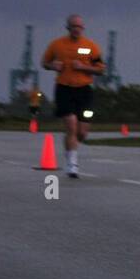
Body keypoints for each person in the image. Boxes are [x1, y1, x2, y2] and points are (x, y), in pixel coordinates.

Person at [41, 16, 105, 178]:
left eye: (80, 26)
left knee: (82, 132)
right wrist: (52, 66)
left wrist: (83, 67)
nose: (77, 29)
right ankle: (72, 165)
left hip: (84, 91)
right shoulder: (57, 44)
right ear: (68, 27)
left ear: (83, 28)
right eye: (74, 26)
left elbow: (101, 69)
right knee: (71, 125)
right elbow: (44, 62)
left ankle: (71, 150)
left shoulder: (90, 46)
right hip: (64, 89)